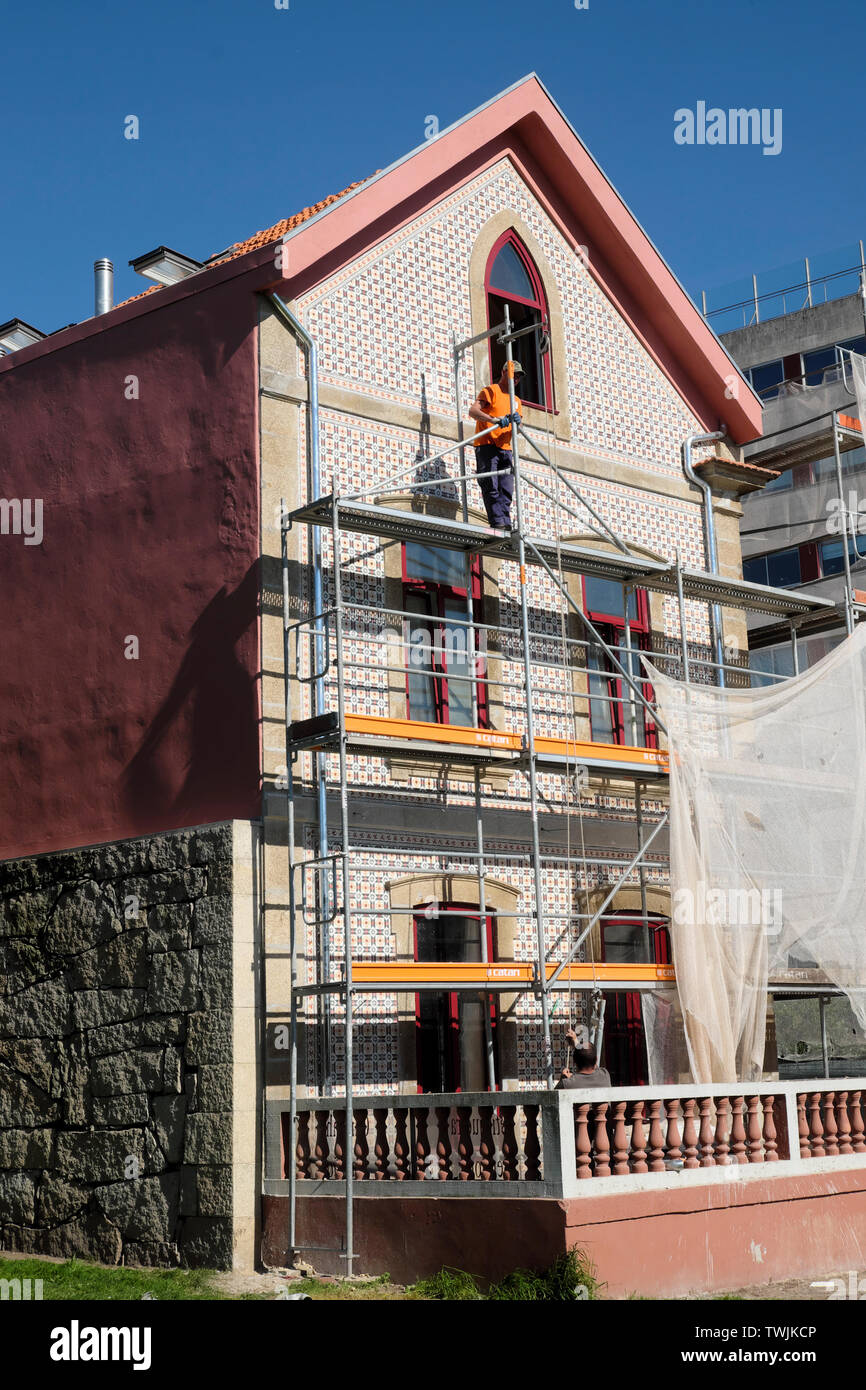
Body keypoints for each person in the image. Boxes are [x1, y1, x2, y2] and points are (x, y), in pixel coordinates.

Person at [468, 361, 524, 531]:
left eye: (519, 377)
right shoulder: (491, 391)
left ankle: (505, 522)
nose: (516, 379)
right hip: (487, 445)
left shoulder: (516, 401)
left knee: (506, 488)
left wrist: (518, 425)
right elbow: (473, 411)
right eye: (514, 374)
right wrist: (494, 420)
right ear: (503, 372)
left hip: (506, 447)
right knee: (490, 484)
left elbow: (519, 429)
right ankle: (497, 522)